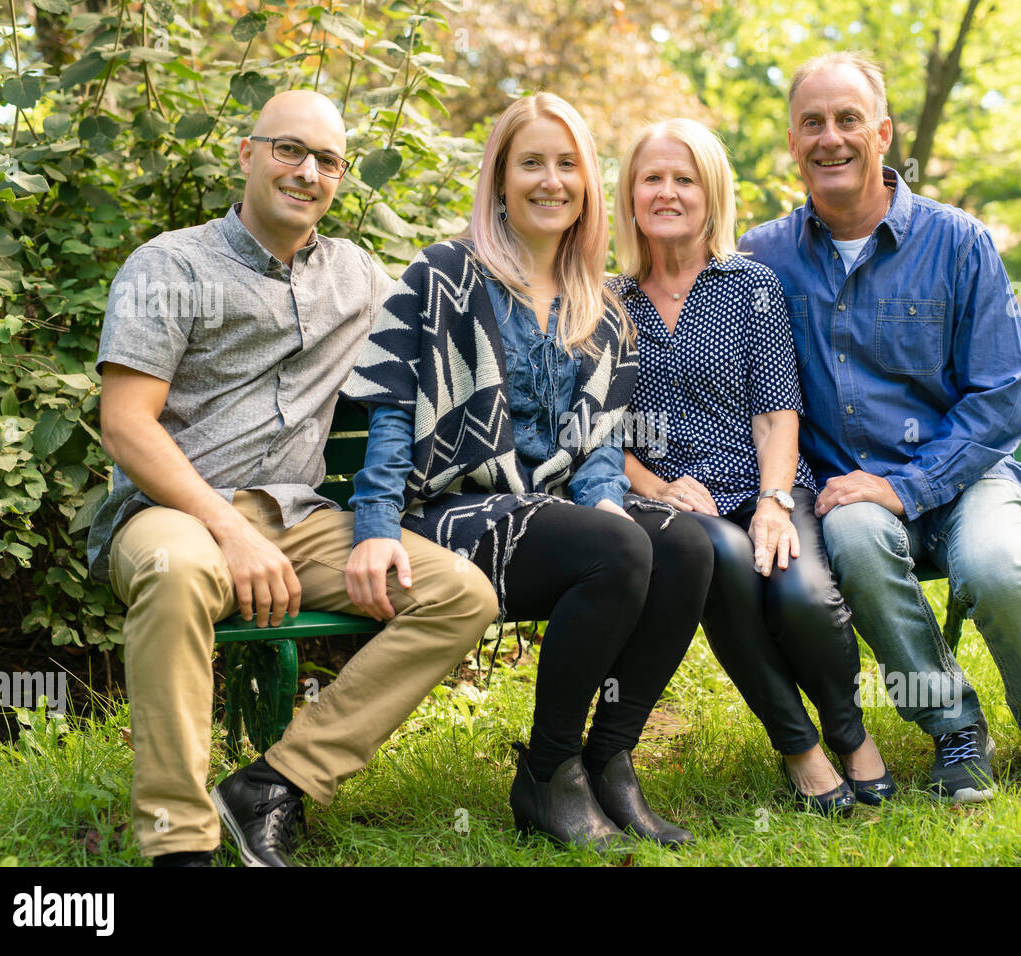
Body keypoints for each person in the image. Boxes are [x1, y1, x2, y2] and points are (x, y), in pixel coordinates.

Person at [87, 91, 499, 867]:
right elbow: (126, 425)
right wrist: (230, 530)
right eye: (288, 150)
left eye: (327, 161)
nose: (307, 172)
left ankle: (275, 784)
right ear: (247, 154)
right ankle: (179, 842)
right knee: (178, 572)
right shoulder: (169, 265)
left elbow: (459, 323)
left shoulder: (358, 278)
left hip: (300, 519)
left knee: (460, 595)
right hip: (171, 513)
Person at [738, 53, 1021, 802]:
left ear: (882, 133)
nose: (831, 138)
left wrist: (905, 486)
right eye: (812, 123)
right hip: (848, 491)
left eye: (848, 119)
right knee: (852, 535)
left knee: (997, 569)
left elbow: (998, 397)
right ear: (793, 143)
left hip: (965, 478)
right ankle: (954, 728)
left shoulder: (959, 243)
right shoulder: (763, 256)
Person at [342, 93, 712, 850]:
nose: (551, 181)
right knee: (617, 548)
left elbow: (602, 443)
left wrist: (608, 499)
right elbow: (387, 409)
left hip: (550, 521)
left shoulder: (601, 307)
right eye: (532, 163)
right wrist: (374, 528)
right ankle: (548, 771)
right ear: (501, 179)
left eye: (567, 164)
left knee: (685, 543)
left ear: (587, 184)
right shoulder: (445, 276)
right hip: (448, 514)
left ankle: (609, 757)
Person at [611, 119, 893, 815]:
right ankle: (799, 747)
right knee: (725, 564)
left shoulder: (750, 286)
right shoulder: (605, 302)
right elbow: (593, 430)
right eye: (653, 178)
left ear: (711, 194)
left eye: (685, 179)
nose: (668, 193)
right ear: (631, 194)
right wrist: (656, 485)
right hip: (672, 500)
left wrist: (772, 500)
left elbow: (776, 414)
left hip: (761, 482)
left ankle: (849, 732)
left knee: (801, 594)